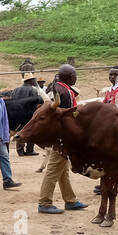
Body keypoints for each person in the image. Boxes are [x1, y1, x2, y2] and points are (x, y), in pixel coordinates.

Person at [37, 65, 89, 215]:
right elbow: (65, 117)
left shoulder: (56, 88)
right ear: (69, 76)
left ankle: (70, 200)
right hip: (62, 138)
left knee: (62, 170)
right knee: (54, 169)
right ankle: (44, 202)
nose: (76, 78)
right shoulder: (64, 91)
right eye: (74, 75)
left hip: (59, 136)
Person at [0, 83, 18, 189]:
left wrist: (6, 135)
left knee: (4, 156)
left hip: (1, 136)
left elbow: (4, 119)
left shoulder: (1, 101)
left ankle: (7, 180)